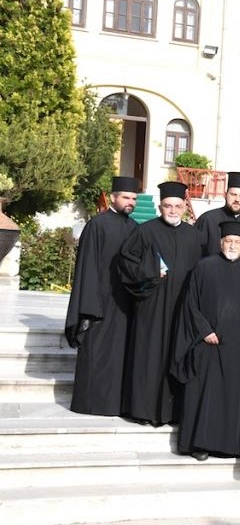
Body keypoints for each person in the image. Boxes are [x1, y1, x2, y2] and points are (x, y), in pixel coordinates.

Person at [172, 221, 240, 460]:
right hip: (207, 343)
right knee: (203, 394)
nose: (232, 245)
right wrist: (204, 331)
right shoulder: (203, 267)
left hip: (237, 347)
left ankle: (230, 446)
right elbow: (190, 304)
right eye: (228, 241)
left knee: (233, 395)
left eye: (237, 242)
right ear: (221, 242)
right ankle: (199, 444)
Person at [119, 181, 203, 425]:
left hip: (183, 308)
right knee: (148, 356)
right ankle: (143, 411)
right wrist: (150, 271)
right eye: (168, 206)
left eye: (178, 206)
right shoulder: (145, 231)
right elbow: (126, 262)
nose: (173, 210)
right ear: (159, 206)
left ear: (185, 207)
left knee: (176, 356)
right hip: (152, 306)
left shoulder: (194, 236)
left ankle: (174, 412)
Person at [66, 176, 140, 416]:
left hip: (124, 302)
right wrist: (87, 308)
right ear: (113, 197)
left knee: (118, 357)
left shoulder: (135, 228)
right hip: (97, 303)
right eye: (126, 197)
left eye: (134, 199)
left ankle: (114, 405)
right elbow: (87, 267)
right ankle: (89, 404)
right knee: (95, 355)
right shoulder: (97, 225)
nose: (130, 202)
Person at [193, 172, 240, 262]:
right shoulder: (208, 219)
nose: (237, 199)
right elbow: (196, 252)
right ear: (225, 195)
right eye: (233, 195)